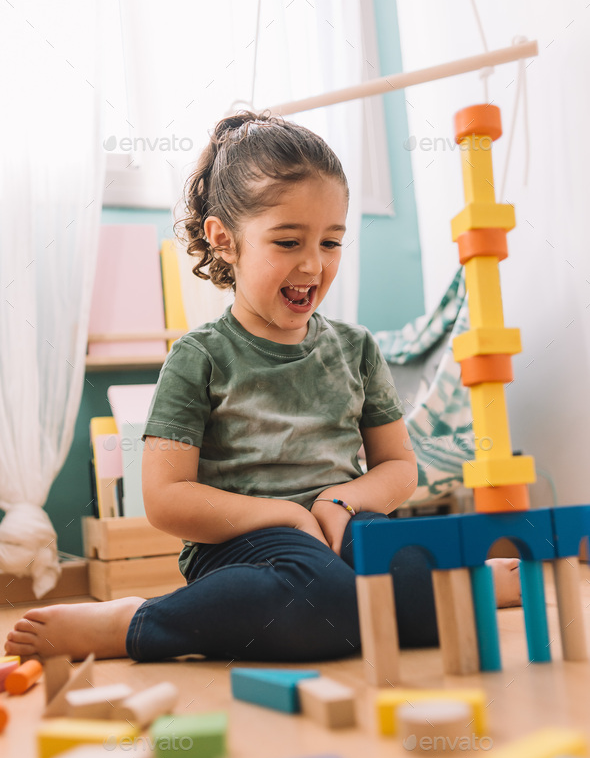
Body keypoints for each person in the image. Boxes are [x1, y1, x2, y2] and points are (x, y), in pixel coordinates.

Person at [4, 111, 520, 664]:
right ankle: (135, 622)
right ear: (224, 240)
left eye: (331, 242)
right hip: (246, 548)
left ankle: (434, 590)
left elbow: (398, 467)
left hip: (348, 525)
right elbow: (165, 498)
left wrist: (339, 501)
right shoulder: (199, 357)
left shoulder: (357, 347)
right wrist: (286, 515)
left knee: (416, 586)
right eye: (288, 240)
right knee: (323, 599)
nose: (313, 264)